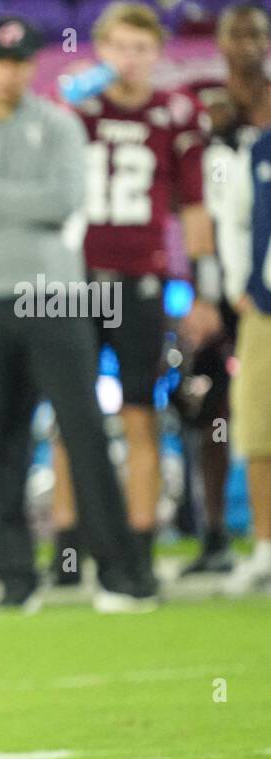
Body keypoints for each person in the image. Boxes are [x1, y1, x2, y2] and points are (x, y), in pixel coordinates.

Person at [0, 15, 155, 611]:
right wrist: (23, 205)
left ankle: (120, 575)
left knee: (83, 430)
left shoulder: (60, 124)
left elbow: (68, 200)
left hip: (54, 294)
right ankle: (15, 578)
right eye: (0, 61)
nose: (11, 72)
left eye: (22, 61)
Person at [50, 2, 218, 588]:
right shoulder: (74, 111)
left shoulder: (176, 114)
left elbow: (195, 210)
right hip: (73, 281)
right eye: (119, 46)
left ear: (158, 53)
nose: (130, 58)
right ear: (101, 48)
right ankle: (68, 552)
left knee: (140, 413)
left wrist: (203, 288)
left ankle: (141, 546)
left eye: (141, 48)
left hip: (141, 283)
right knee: (70, 419)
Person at [182, 3, 271, 574]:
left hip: (262, 278)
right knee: (210, 403)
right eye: (236, 32)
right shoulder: (202, 109)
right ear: (218, 41)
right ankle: (214, 533)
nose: (247, 41)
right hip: (225, 281)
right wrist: (207, 292)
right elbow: (202, 213)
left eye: (257, 32)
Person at [212, 126, 271, 595]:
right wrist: (238, 283)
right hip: (265, 309)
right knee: (257, 429)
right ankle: (266, 550)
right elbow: (234, 219)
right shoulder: (259, 148)